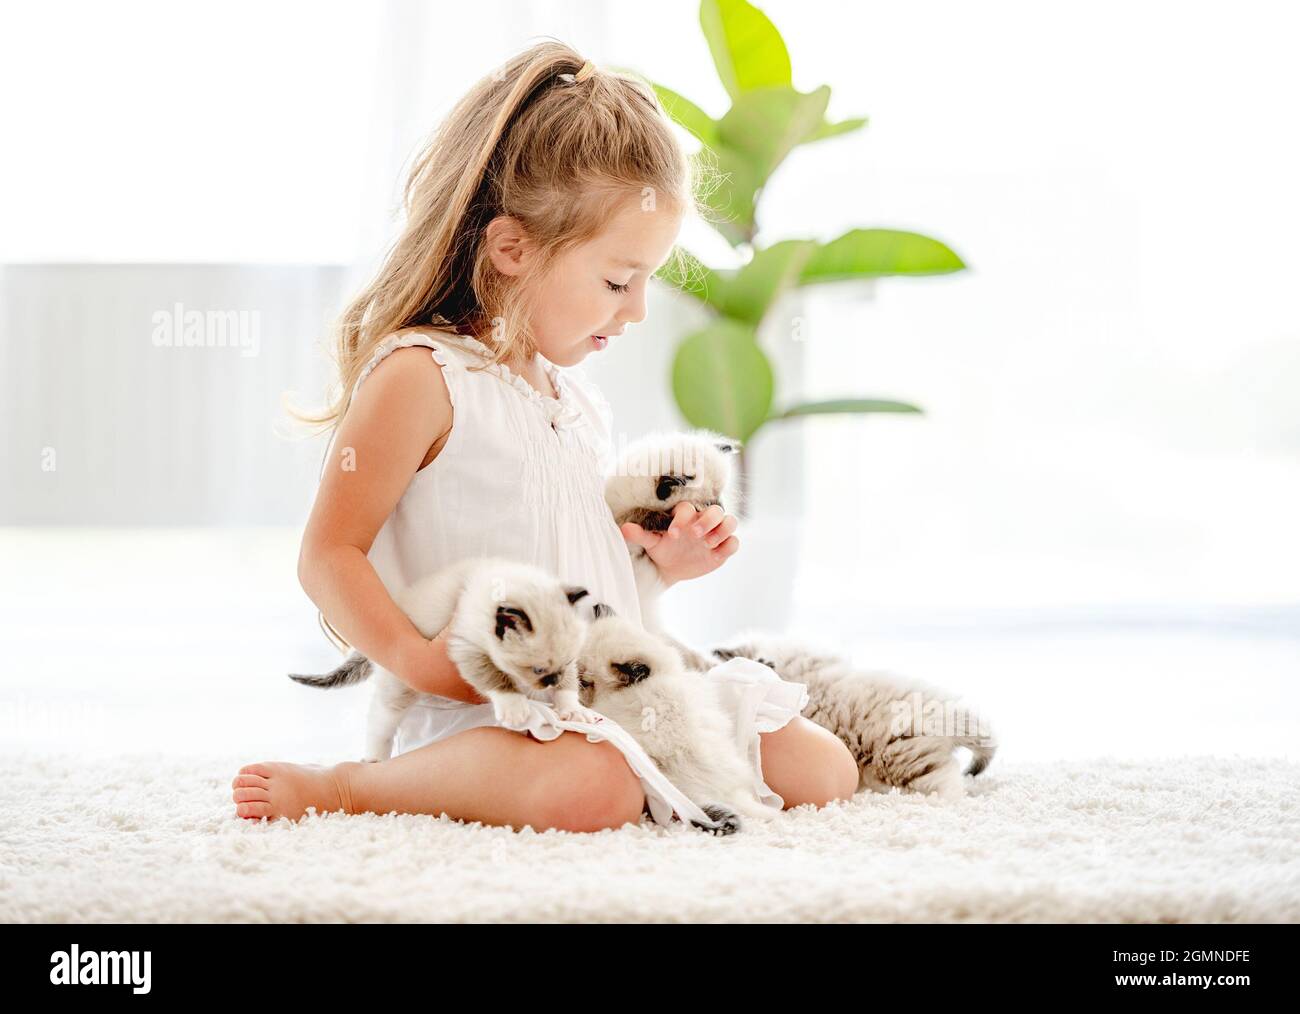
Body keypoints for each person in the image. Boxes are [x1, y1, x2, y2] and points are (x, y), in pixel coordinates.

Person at [231, 42, 858, 833]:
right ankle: (356, 787)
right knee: (589, 783)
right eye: (614, 282)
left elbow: (586, 581)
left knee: (821, 766)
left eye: (645, 284)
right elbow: (327, 555)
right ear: (512, 249)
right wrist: (420, 660)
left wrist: (659, 568)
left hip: (608, 690)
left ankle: (639, 770)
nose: (633, 312)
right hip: (491, 713)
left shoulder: (571, 403)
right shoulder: (423, 377)